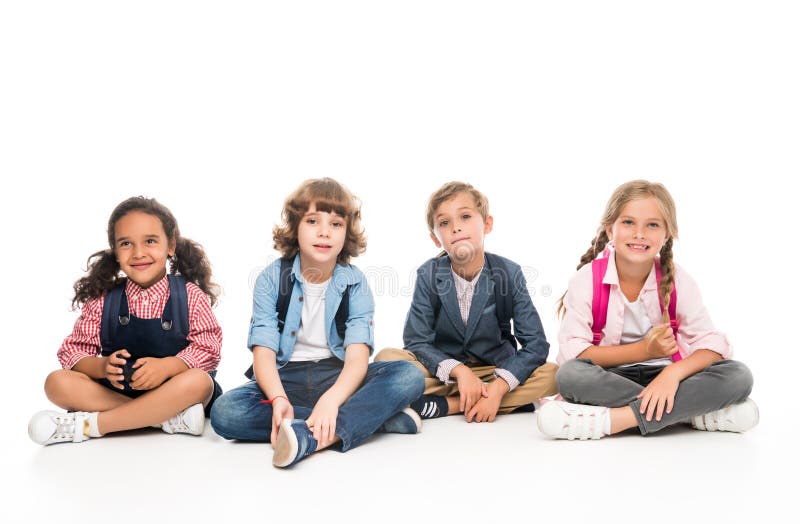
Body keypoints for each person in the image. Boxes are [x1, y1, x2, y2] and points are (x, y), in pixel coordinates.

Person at [210, 178, 424, 468]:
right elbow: (264, 352)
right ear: (295, 227)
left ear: (346, 232)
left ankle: (310, 436)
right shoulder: (272, 278)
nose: (324, 232)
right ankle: (376, 418)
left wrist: (332, 400)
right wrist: (277, 399)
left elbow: (358, 358)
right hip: (284, 377)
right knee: (225, 413)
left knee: (408, 375)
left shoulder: (355, 282)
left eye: (336, 224)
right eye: (313, 221)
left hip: (335, 376)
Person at [538, 180, 757, 440]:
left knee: (738, 375)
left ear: (666, 235)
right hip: (611, 378)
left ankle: (614, 420)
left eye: (652, 225)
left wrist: (672, 374)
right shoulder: (587, 280)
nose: (639, 233)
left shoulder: (678, 280)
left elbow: (710, 342)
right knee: (570, 376)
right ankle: (691, 414)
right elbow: (575, 353)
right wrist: (645, 350)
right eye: (628, 222)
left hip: (667, 379)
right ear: (610, 229)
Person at [29, 196, 223, 445]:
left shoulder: (189, 295)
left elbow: (208, 350)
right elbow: (73, 351)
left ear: (170, 245)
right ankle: (165, 419)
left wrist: (168, 367)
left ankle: (90, 426)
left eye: (150, 241)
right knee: (56, 382)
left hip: (174, 392)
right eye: (126, 244)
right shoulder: (104, 298)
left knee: (200, 382)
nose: (139, 253)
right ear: (115, 252)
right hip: (118, 391)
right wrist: (100, 367)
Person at [376, 181, 557, 423]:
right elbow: (416, 340)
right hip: (445, 373)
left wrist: (499, 386)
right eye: (444, 223)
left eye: (465, 216)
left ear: (487, 224)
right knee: (386, 358)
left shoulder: (509, 273)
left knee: (553, 374)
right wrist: (459, 371)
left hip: (493, 371)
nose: (456, 228)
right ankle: (508, 403)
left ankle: (449, 405)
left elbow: (536, 345)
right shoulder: (428, 274)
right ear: (435, 238)